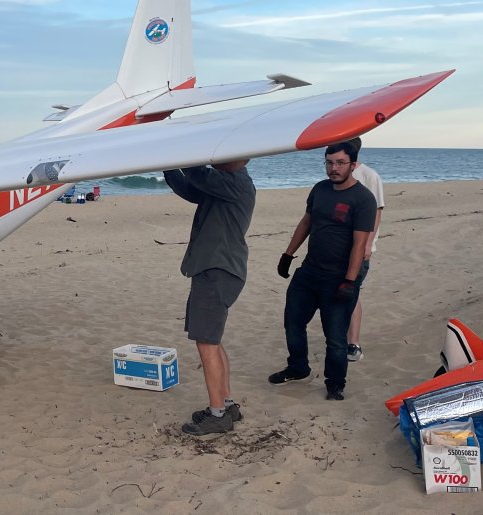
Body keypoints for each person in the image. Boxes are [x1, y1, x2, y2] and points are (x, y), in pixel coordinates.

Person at [269, 142, 376, 401]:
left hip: (339, 277)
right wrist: (287, 254)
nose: (333, 168)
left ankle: (335, 383)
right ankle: (298, 367)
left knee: (336, 337)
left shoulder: (363, 199)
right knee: (293, 322)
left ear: (353, 165)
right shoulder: (320, 189)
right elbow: (307, 222)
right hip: (309, 272)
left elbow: (360, 243)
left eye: (340, 163)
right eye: (329, 162)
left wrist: (350, 281)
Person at [163, 160, 256, 435]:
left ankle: (218, 414)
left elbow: (197, 173)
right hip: (215, 269)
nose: (217, 160)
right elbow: (190, 187)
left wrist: (178, 153)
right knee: (212, 341)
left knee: (207, 343)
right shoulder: (223, 183)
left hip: (218, 270)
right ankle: (227, 405)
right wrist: (167, 167)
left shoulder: (235, 182)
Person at [344, 137, 384, 363]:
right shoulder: (340, 170)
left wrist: (368, 243)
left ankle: (354, 343)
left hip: (360, 247)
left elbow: (377, 210)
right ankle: (342, 338)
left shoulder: (370, 176)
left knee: (353, 292)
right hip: (339, 247)